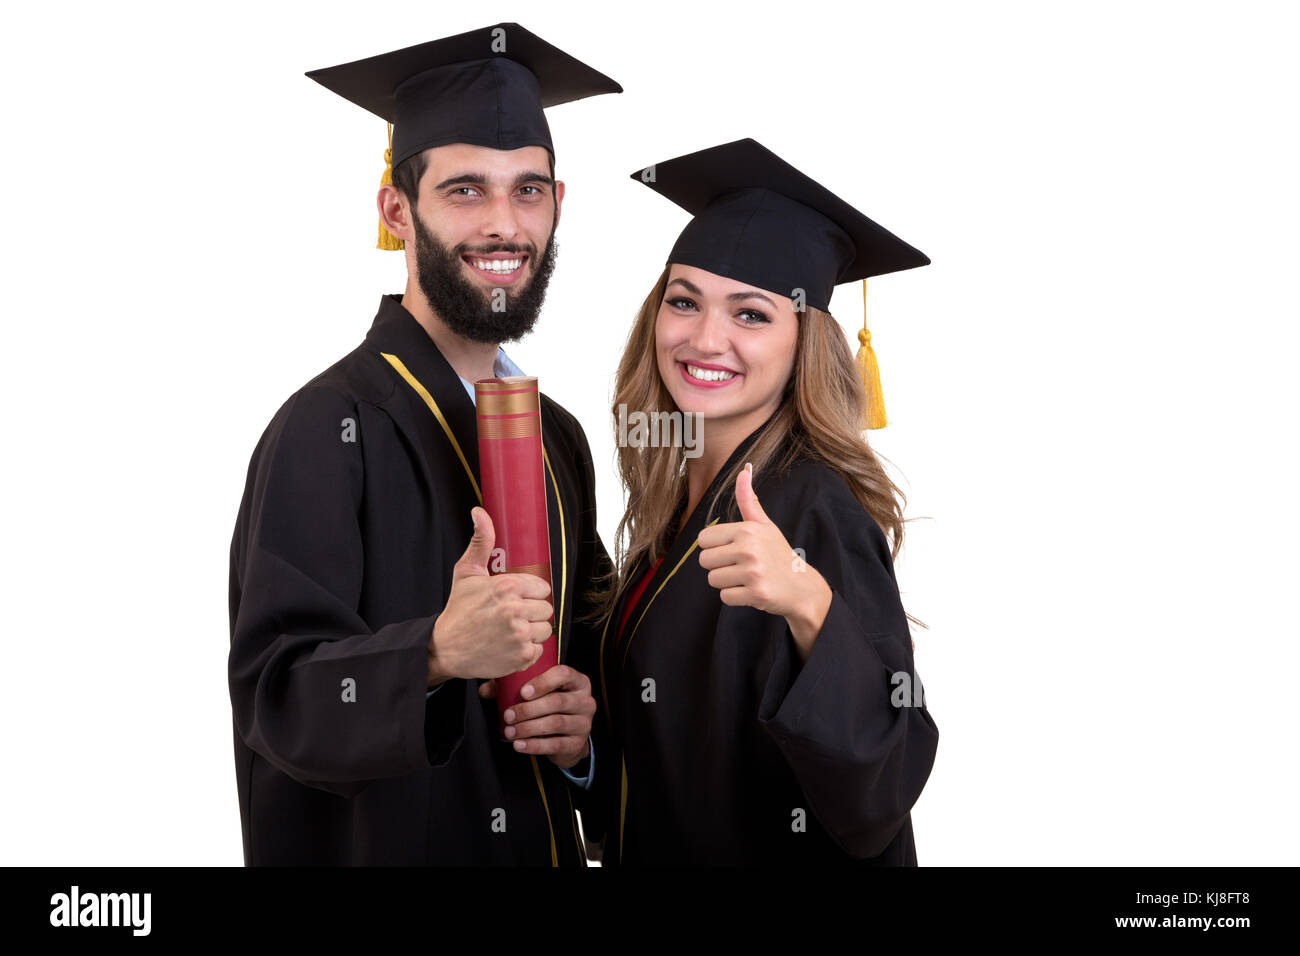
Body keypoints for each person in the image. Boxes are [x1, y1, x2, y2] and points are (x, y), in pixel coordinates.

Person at [227, 23, 619, 865]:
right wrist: (436, 654)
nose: (505, 225)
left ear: (560, 203)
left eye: (528, 190)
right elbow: (275, 698)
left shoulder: (560, 440)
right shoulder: (325, 429)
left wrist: (582, 733)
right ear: (396, 209)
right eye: (466, 190)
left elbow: (595, 661)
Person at [590, 139, 940, 865]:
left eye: (751, 315)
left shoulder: (811, 505)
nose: (705, 338)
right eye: (683, 301)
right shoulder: (674, 503)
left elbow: (883, 785)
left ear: (801, 345)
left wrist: (810, 603)